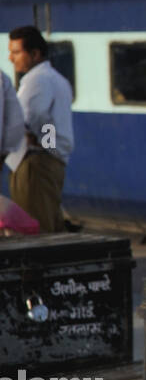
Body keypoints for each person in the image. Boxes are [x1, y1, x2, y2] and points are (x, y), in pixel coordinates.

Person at [6, 26, 74, 233]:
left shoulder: (38, 80)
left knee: (34, 230)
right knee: (50, 225)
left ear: (35, 54)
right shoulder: (56, 79)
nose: (11, 58)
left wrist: (44, 143)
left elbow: (33, 117)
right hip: (48, 161)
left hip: (35, 164)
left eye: (16, 52)